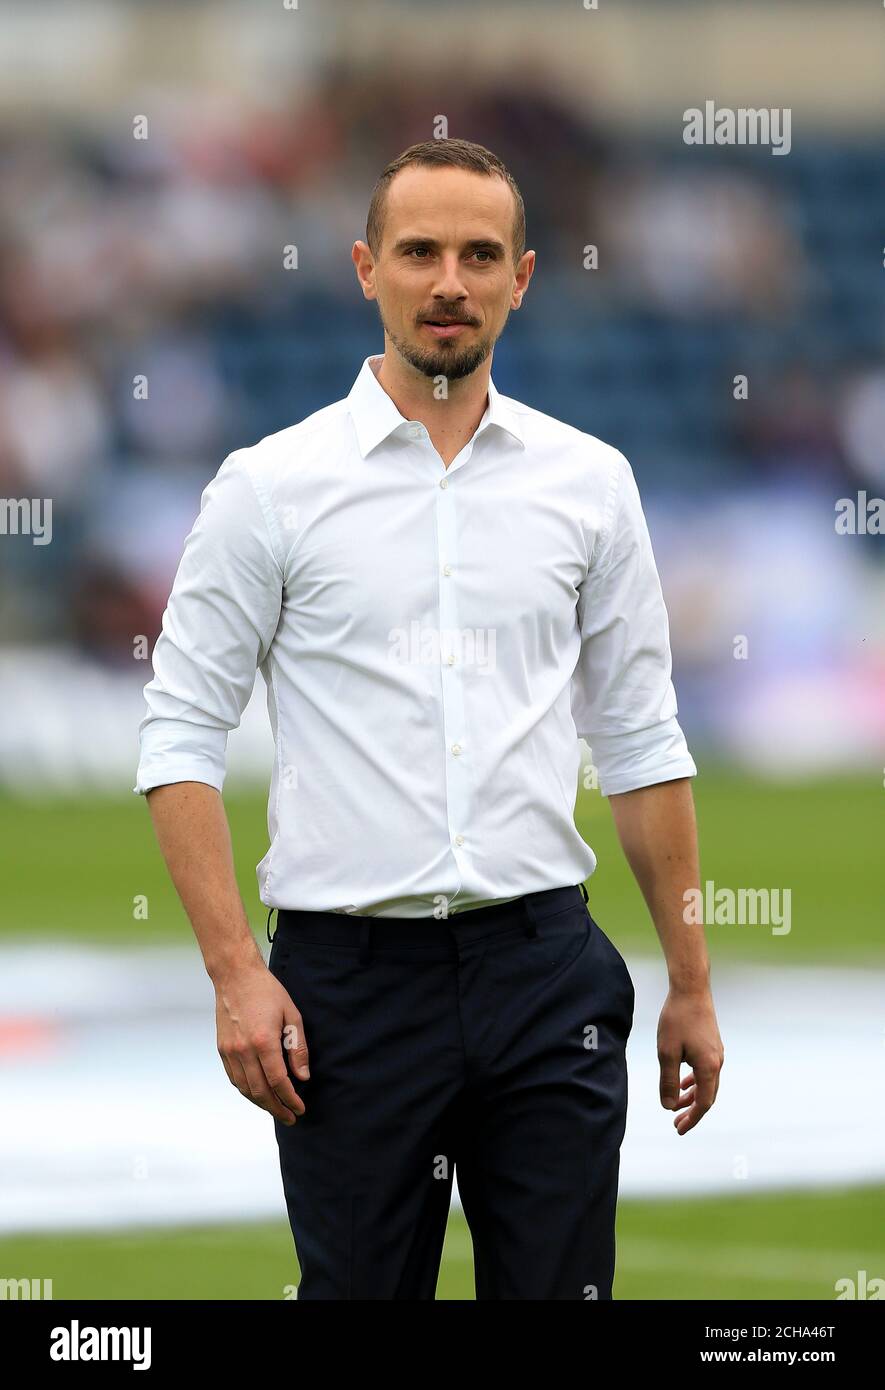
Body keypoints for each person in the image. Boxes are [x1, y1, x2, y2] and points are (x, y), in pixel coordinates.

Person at [135, 137, 724, 1300]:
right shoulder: (270, 486)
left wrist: (693, 983)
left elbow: (645, 740)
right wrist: (233, 975)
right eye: (418, 252)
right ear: (364, 267)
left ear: (524, 276)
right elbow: (181, 736)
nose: (448, 280)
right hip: (348, 991)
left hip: (546, 971)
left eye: (478, 254)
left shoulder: (590, 481)